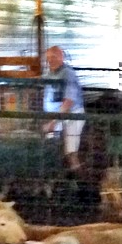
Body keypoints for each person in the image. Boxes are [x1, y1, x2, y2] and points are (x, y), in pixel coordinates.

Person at [41, 45, 85, 173]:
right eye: (48, 58)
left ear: (61, 57)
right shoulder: (50, 73)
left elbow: (69, 101)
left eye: (54, 57)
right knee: (51, 143)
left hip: (72, 114)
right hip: (57, 115)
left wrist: (54, 122)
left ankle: (76, 176)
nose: (51, 60)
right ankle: (55, 171)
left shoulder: (68, 73)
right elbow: (40, 79)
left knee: (71, 151)